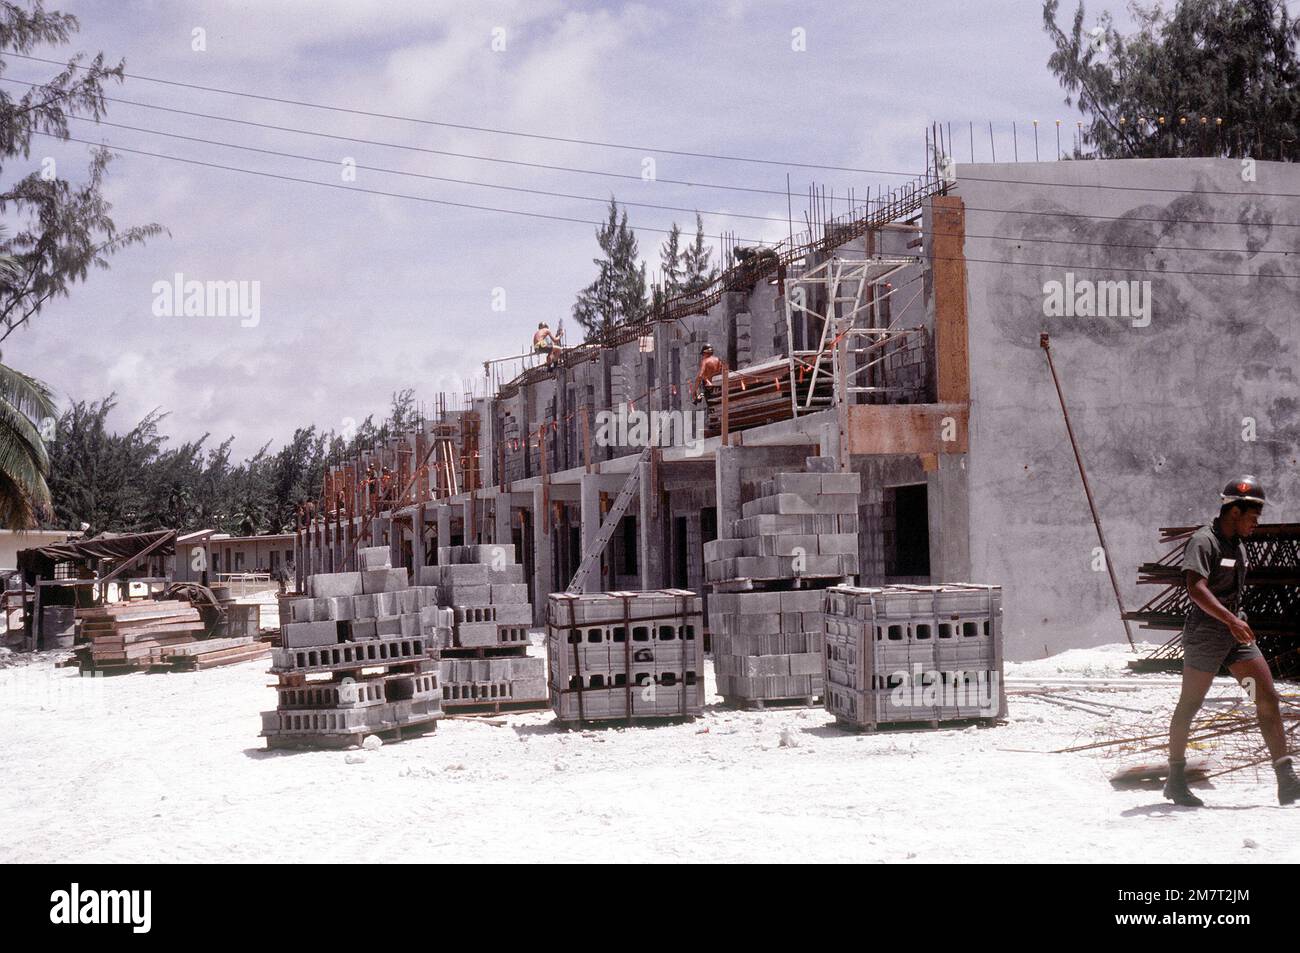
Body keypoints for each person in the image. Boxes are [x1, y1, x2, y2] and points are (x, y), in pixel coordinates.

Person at [1164, 475, 1298, 807]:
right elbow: (1196, 588)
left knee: (1265, 697)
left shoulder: (1235, 545)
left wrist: (1236, 622)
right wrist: (1231, 619)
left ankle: (1287, 780)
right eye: (1253, 517)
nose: (1256, 524)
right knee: (1190, 705)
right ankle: (1175, 779)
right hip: (1206, 636)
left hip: (1236, 638)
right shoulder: (1203, 542)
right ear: (1234, 511)